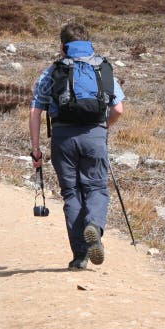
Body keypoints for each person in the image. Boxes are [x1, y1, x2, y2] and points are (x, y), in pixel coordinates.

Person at [28, 23, 124, 270]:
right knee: (96, 188)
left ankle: (80, 255)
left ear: (63, 46)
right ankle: (94, 225)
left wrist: (36, 149)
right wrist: (103, 129)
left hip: (62, 138)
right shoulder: (102, 68)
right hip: (94, 136)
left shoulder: (51, 71)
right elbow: (118, 109)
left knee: (71, 193)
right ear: (88, 43)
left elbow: (35, 110)